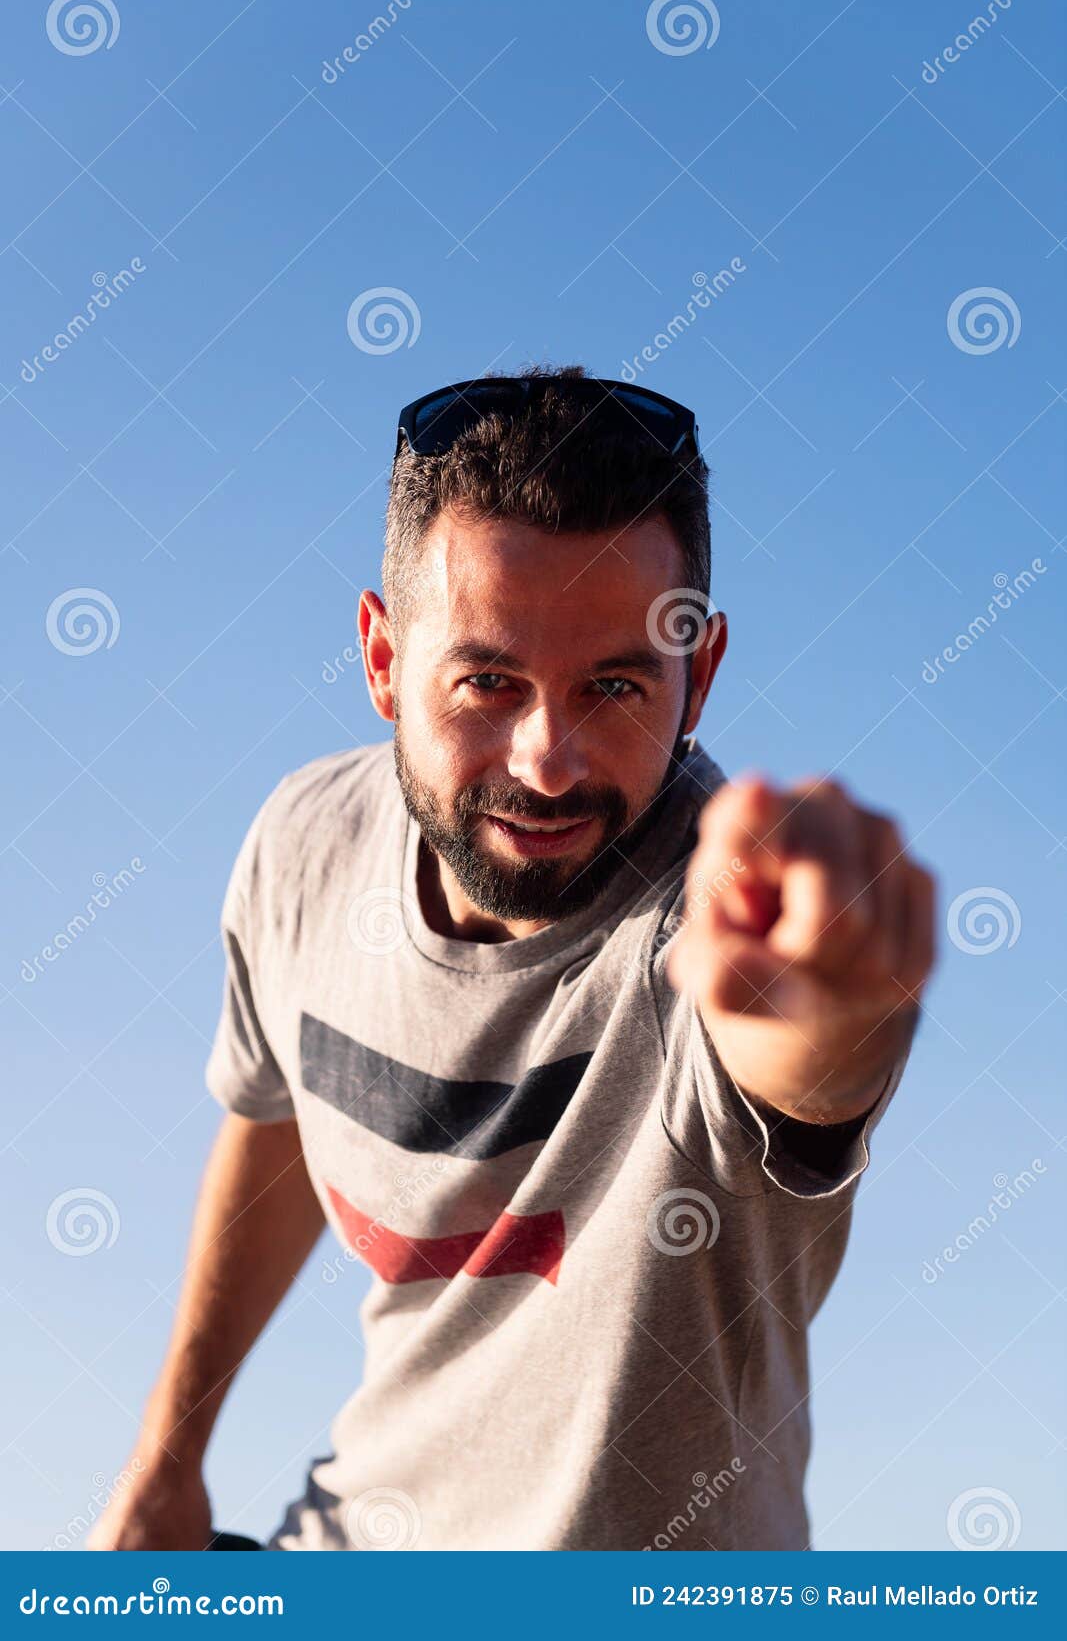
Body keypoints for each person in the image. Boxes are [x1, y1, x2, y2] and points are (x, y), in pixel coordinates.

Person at [88, 366, 935, 1552]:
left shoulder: (714, 928)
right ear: (383, 658)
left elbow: (798, 1055)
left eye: (614, 686)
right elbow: (275, 1117)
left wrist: (845, 994)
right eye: (487, 680)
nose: (547, 760)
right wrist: (164, 1460)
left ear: (700, 673)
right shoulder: (303, 846)